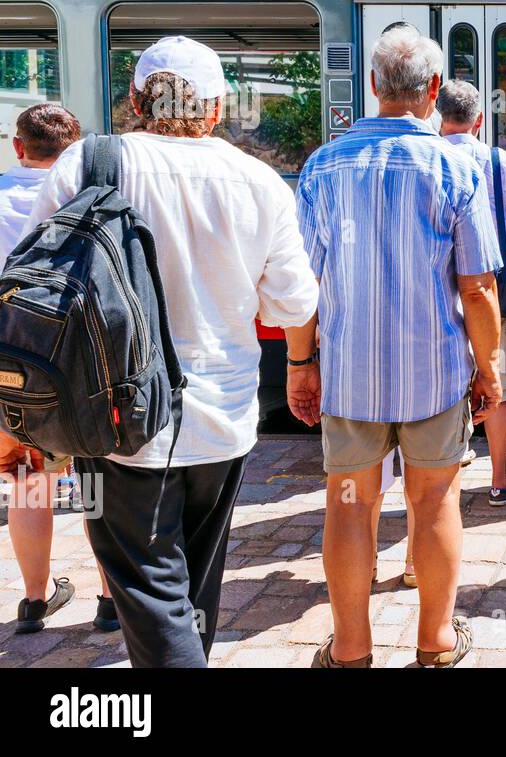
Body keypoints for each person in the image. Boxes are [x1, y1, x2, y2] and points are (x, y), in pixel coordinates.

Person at [27, 37, 319, 666]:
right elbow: (295, 305)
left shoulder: (87, 164)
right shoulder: (258, 182)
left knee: (147, 584)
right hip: (224, 418)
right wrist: (293, 359)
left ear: (135, 99)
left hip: (113, 416)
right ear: (216, 109)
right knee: (192, 580)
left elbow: (38, 282)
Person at [296, 26, 502, 667]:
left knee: (351, 504)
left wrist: (302, 364)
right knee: (435, 499)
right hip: (434, 375)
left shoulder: (325, 166)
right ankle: (435, 644)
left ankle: (352, 650)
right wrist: (489, 367)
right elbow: (479, 287)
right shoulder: (457, 166)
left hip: (351, 377)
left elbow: (302, 287)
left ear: (375, 88)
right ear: (434, 91)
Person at [0, 104, 105, 634]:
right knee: (99, 478)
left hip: (7, 370)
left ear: (18, 147)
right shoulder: (89, 202)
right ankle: (110, 602)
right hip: (77, 367)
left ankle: (34, 601)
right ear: (76, 150)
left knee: (26, 481)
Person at [438, 79, 506, 509]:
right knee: (497, 382)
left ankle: (444, 473)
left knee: (444, 384)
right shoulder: (502, 162)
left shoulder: (430, 158)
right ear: (480, 119)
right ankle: (499, 480)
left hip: (437, 289)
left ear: (438, 116)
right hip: (490, 287)